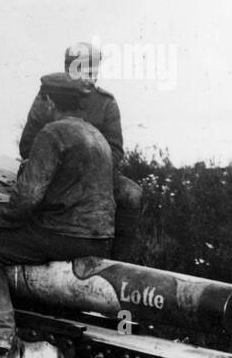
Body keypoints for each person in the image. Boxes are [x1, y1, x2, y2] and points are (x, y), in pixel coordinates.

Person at [0, 80, 115, 355]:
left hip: (63, 234)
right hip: (100, 238)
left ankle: (0, 329)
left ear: (48, 102)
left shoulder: (53, 133)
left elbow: (29, 195)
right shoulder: (95, 134)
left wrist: (1, 220)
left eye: (40, 101)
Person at [19, 42, 143, 260]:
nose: (90, 76)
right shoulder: (47, 97)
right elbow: (27, 145)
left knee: (131, 194)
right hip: (52, 173)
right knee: (30, 192)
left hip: (96, 177)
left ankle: (119, 265)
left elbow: (115, 150)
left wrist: (88, 173)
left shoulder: (106, 103)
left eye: (93, 69)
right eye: (81, 69)